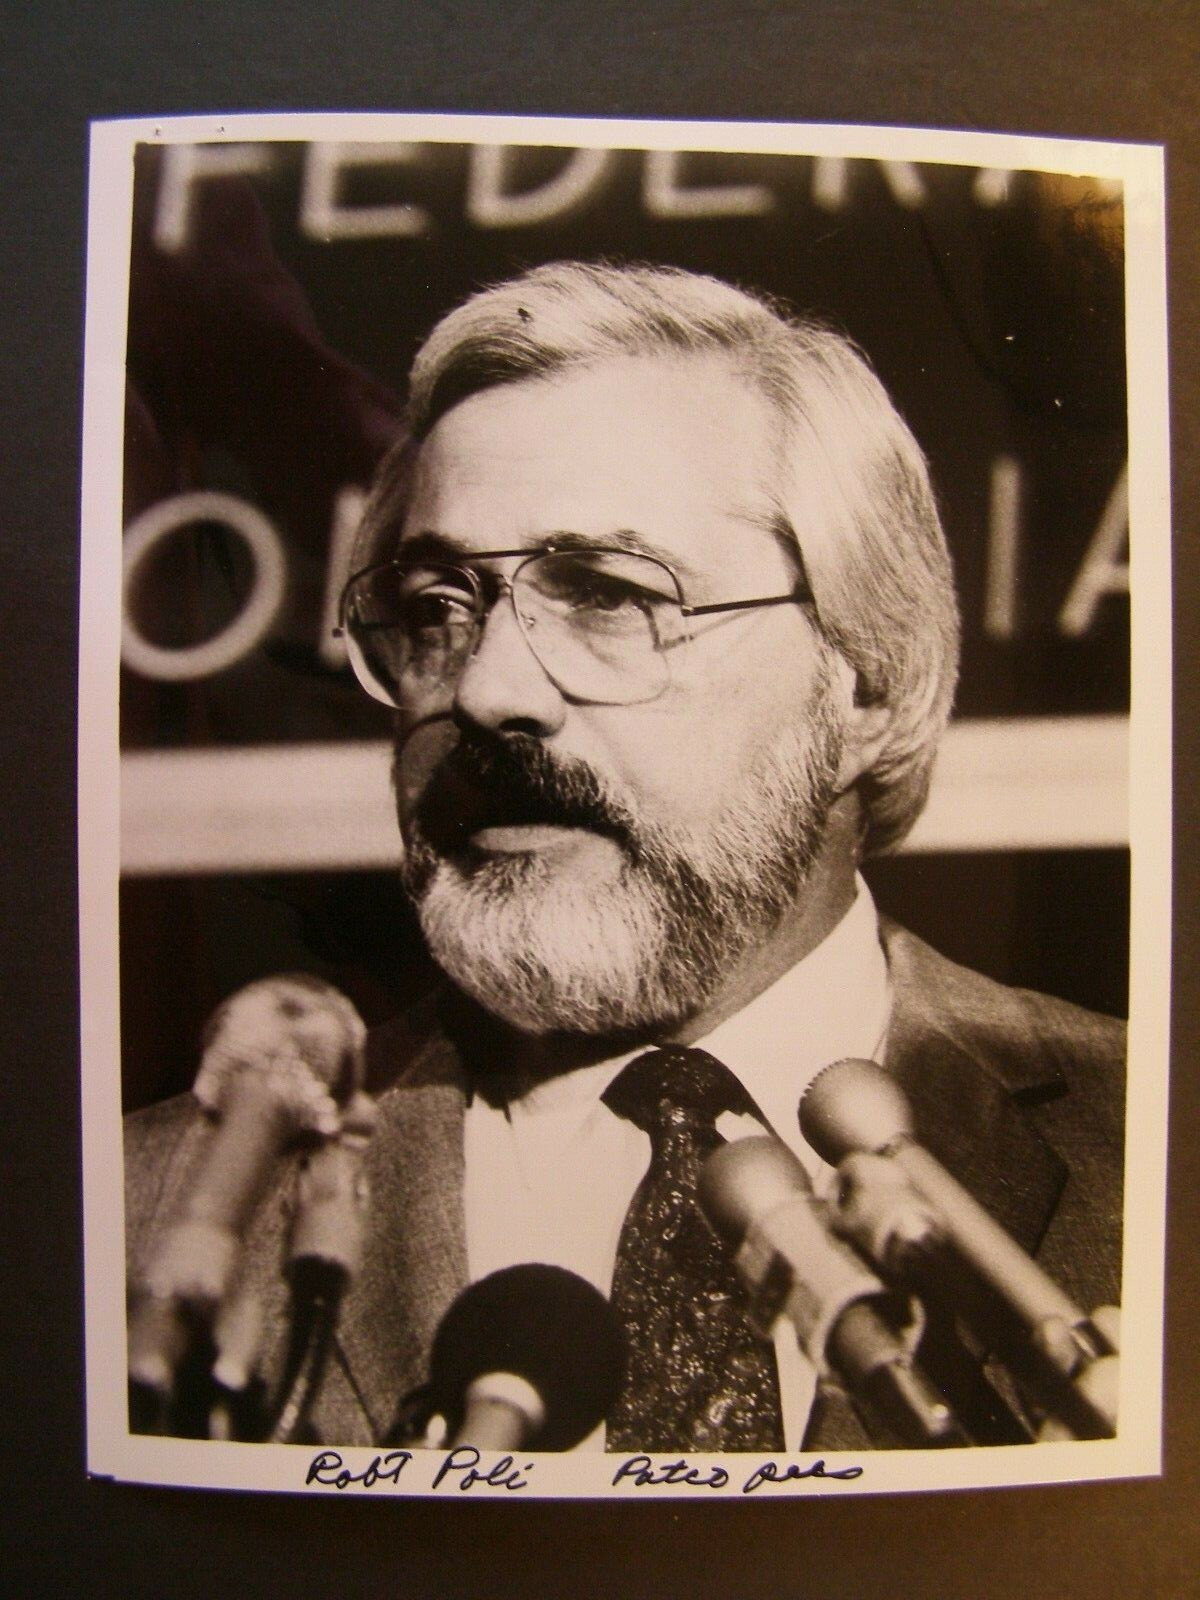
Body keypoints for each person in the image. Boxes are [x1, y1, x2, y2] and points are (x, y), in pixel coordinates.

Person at [125, 261, 1125, 1453]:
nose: (488, 690)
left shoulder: (1150, 1150)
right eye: (439, 607)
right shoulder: (148, 1219)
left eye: (604, 594)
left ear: (864, 677)